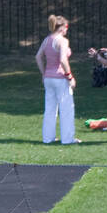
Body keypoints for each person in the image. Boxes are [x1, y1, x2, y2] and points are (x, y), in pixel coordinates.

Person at [36, 14, 78, 145]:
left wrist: (44, 73)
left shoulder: (47, 39)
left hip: (48, 78)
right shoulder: (62, 41)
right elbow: (63, 60)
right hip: (60, 78)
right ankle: (68, 139)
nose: (67, 30)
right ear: (62, 28)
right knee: (66, 109)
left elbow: (38, 57)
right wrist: (70, 76)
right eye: (66, 27)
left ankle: (47, 138)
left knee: (50, 109)